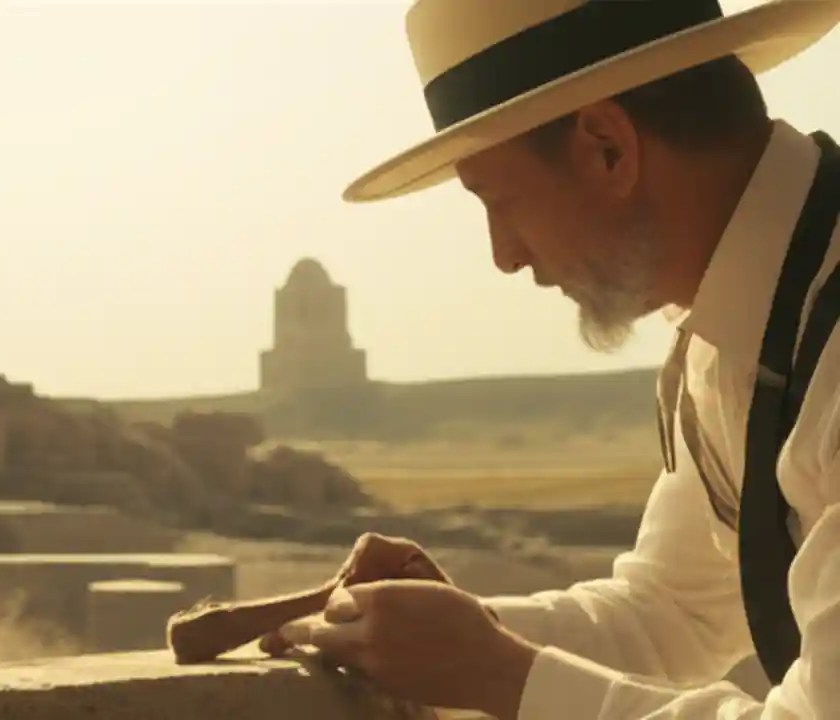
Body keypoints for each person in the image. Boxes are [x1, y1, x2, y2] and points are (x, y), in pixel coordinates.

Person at [265, 2, 840, 719]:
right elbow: (669, 614)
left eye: (499, 200)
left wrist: (506, 677)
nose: (504, 256)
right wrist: (451, 634)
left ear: (607, 147)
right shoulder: (741, 327)